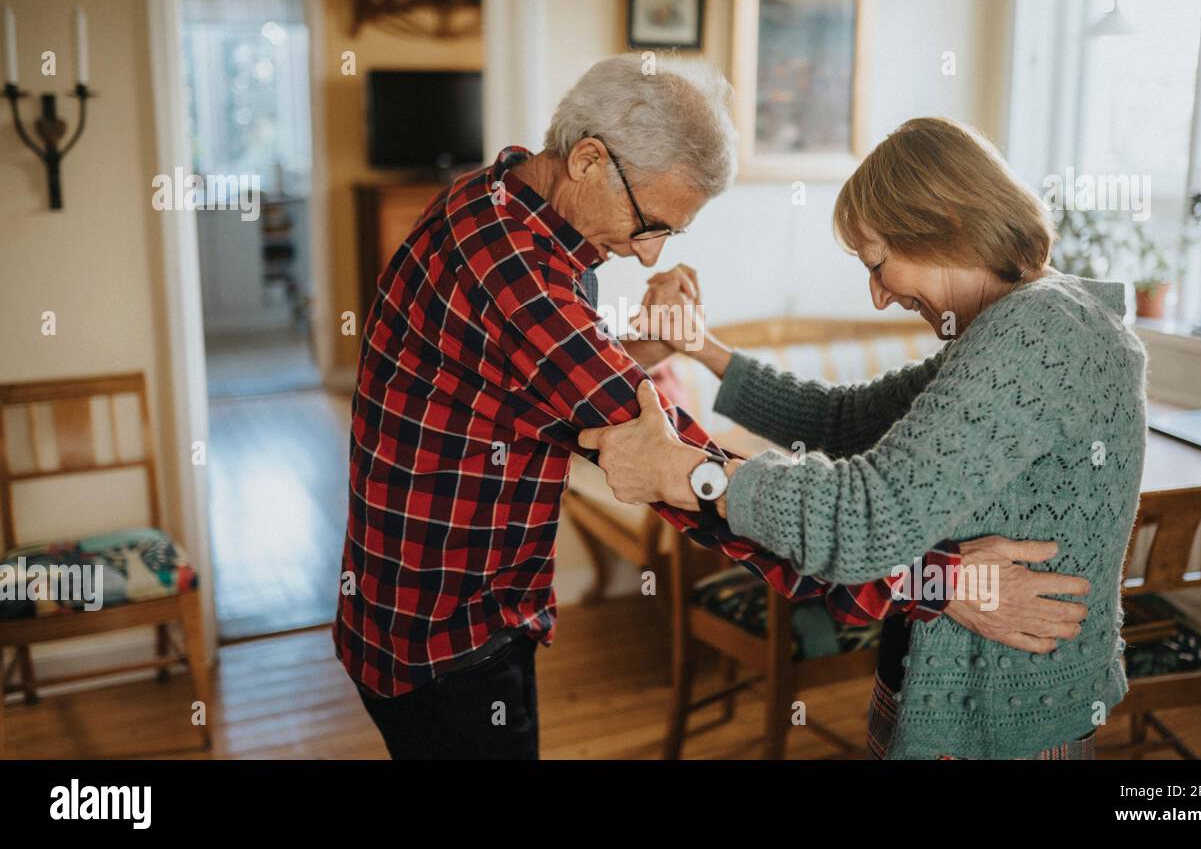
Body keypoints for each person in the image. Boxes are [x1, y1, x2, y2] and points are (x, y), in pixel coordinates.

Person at [334, 58, 1094, 759]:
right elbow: (690, 481)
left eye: (671, 232)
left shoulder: (494, 199)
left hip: (420, 609)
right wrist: (940, 585)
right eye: (651, 222)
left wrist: (658, 353)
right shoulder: (518, 275)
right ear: (590, 158)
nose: (650, 255)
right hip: (446, 634)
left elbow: (529, 386)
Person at [580, 116, 1146, 759]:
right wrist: (704, 351)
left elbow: (865, 518)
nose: (878, 297)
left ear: (946, 224)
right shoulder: (1020, 320)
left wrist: (691, 475)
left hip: (993, 725)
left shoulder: (1037, 334)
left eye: (879, 264)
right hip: (962, 696)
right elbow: (843, 421)